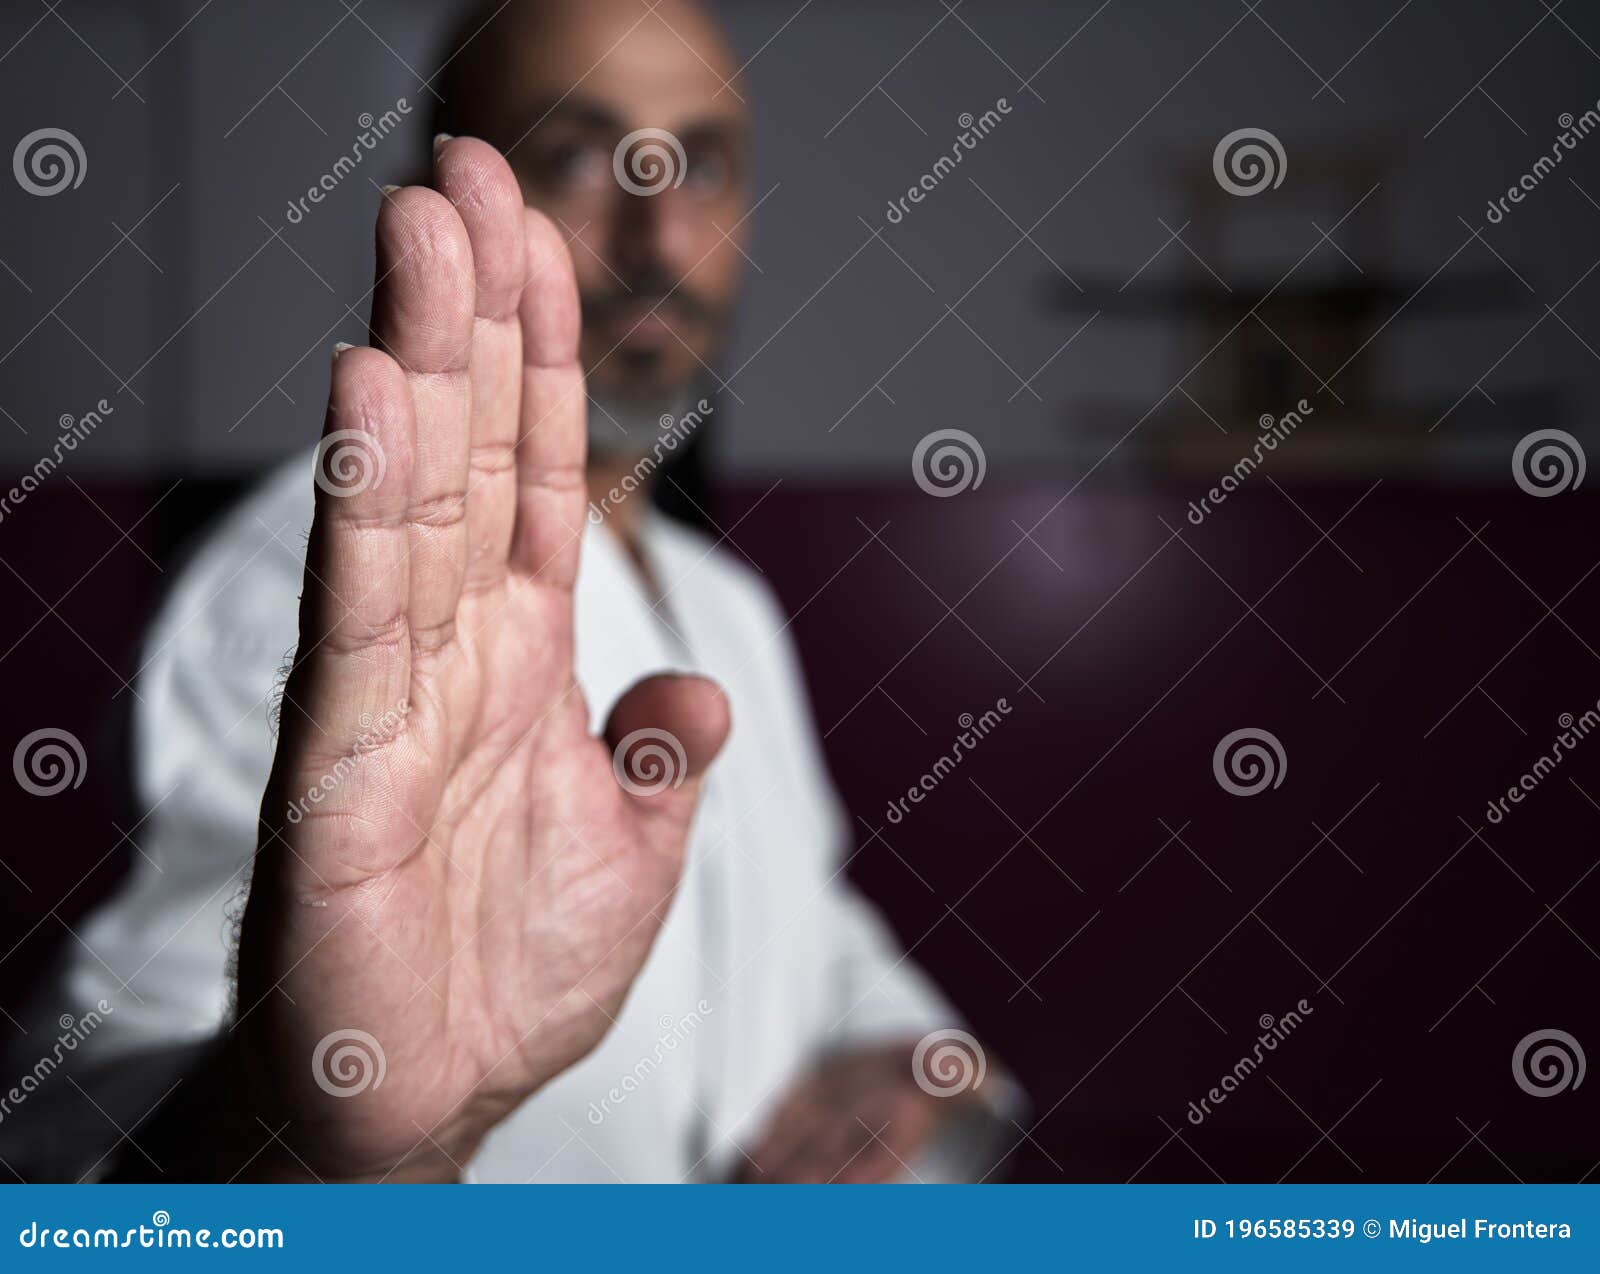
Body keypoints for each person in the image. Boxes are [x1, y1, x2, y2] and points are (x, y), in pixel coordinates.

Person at [0, 0, 1014, 1184]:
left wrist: (907, 1058)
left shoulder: (724, 605)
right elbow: (67, 1139)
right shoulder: (327, 588)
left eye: (704, 162)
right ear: (452, 205)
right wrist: (306, 1136)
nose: (658, 235)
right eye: (578, 154)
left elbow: (810, 925)